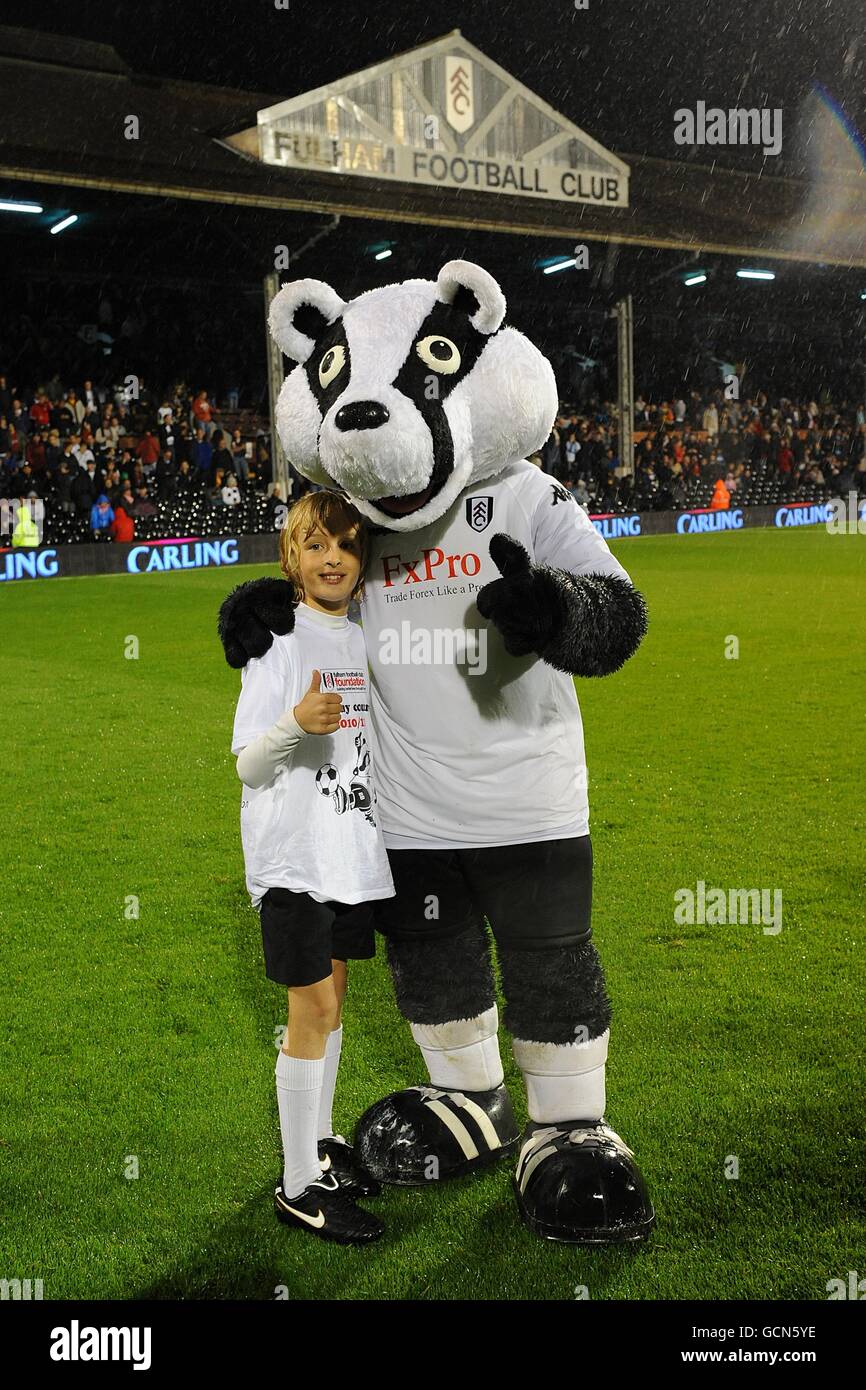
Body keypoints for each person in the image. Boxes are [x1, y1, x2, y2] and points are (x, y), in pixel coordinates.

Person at [229, 491, 395, 1245]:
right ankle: (298, 1186)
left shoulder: (355, 635)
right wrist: (296, 724)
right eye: (318, 544)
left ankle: (320, 1147)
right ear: (292, 557)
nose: (334, 558)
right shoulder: (278, 638)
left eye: (348, 546)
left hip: (347, 852)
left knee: (336, 999)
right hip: (293, 856)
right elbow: (248, 763)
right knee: (314, 1010)